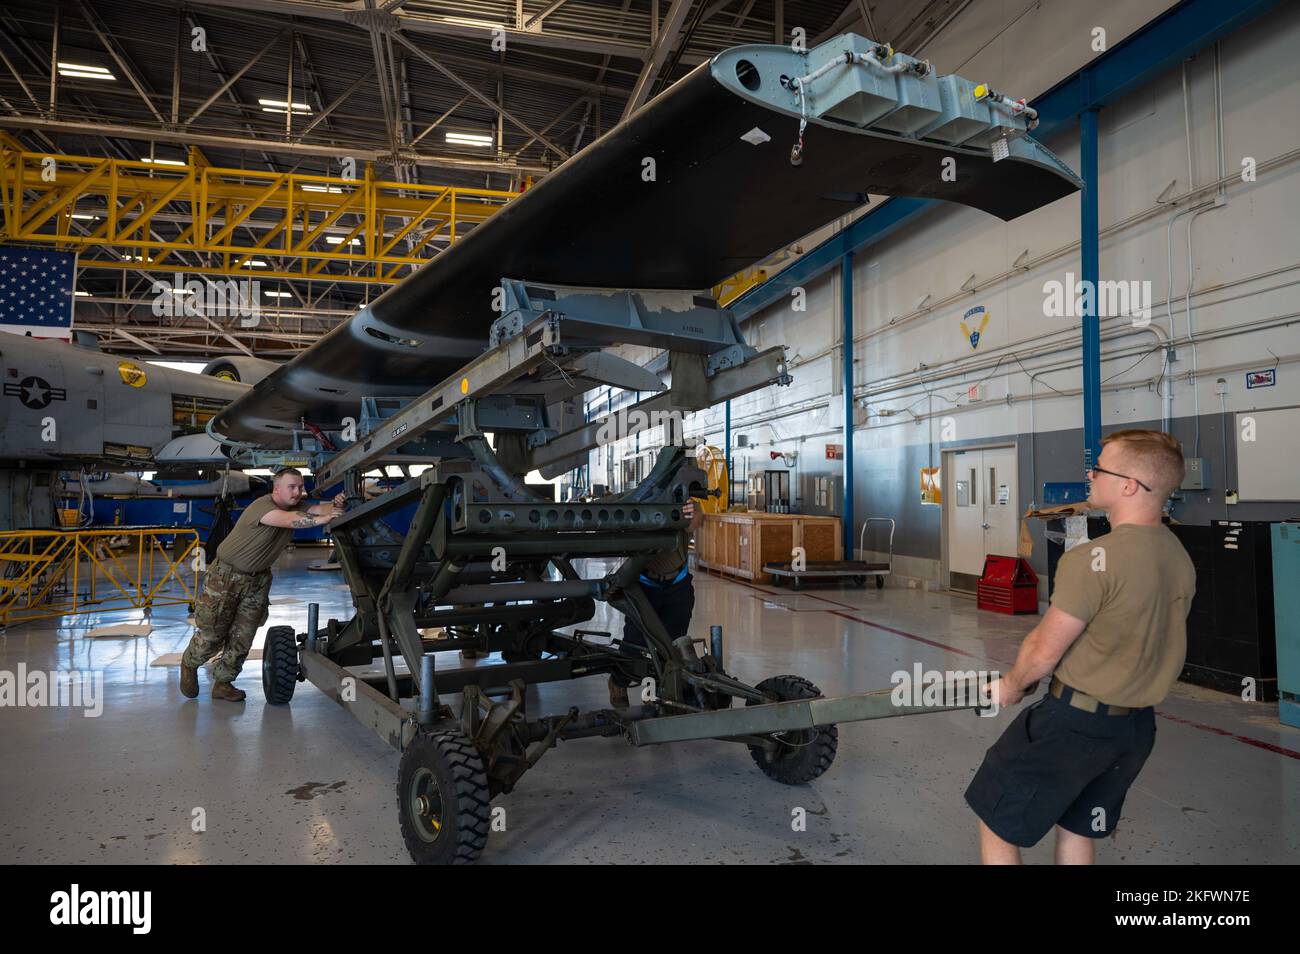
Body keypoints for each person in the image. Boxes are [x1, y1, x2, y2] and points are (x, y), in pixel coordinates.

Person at [965, 429, 1195, 864]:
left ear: (1129, 485)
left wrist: (1011, 685)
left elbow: (1044, 648)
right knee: (1075, 827)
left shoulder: (1092, 560)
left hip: (1072, 724)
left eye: (1100, 467)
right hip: (1133, 730)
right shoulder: (1176, 554)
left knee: (995, 817)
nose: (1090, 474)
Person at [179, 467, 345, 701]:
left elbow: (320, 508)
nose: (298, 492)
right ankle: (189, 663)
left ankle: (223, 683)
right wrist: (325, 518)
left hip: (258, 580)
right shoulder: (263, 507)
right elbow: (291, 521)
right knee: (213, 634)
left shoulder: (296, 505)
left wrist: (336, 505)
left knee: (243, 636)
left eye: (300, 486)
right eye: (292, 487)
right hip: (226, 578)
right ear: (277, 488)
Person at [609, 497, 705, 707]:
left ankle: (656, 696)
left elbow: (696, 519)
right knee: (634, 643)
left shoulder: (683, 503)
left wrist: (691, 512)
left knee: (672, 646)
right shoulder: (639, 504)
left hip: (677, 585)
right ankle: (619, 682)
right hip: (643, 586)